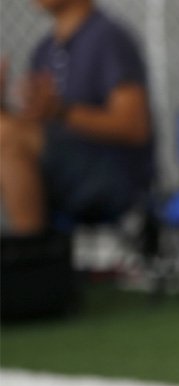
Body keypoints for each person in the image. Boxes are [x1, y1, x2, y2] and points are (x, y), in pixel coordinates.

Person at [0, 0, 154, 237]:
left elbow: (134, 127)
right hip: (65, 174)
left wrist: (61, 111)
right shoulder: (45, 49)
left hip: (115, 178)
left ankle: (32, 258)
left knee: (6, 134)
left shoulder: (108, 37)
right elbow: (33, 136)